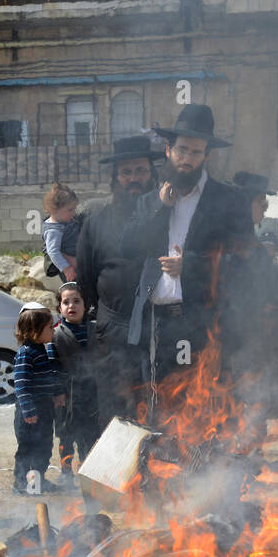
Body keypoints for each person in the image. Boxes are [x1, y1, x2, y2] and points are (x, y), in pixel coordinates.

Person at [123, 104, 254, 426]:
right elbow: (127, 247)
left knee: (200, 408)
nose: (187, 158)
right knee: (158, 408)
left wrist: (193, 266)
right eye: (181, 150)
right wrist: (159, 207)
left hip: (202, 320)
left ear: (206, 156)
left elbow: (246, 262)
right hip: (157, 321)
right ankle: (164, 473)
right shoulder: (150, 200)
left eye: (196, 152)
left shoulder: (230, 200)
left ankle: (202, 475)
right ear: (168, 150)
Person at [75, 134, 162, 425]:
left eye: (140, 171)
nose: (133, 179)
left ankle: (161, 469)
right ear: (115, 177)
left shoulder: (168, 215)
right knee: (116, 409)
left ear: (152, 174)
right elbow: (85, 279)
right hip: (113, 331)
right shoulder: (96, 222)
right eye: (126, 172)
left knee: (160, 406)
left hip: (161, 327)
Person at [220, 171, 278, 445]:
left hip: (257, 341)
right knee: (238, 403)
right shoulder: (228, 246)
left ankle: (253, 458)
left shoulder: (255, 246)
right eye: (261, 203)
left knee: (257, 403)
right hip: (234, 342)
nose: (265, 209)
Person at [50, 282, 103, 484]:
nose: (71, 306)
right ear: (59, 308)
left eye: (76, 301)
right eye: (66, 302)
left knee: (89, 434)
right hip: (67, 394)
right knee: (66, 434)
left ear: (85, 305)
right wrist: (57, 392)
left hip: (91, 392)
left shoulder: (95, 329)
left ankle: (87, 472)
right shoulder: (56, 334)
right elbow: (53, 366)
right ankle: (65, 473)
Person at [12, 305, 63, 494]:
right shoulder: (26, 353)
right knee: (28, 450)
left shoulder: (42, 350)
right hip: (30, 414)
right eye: (50, 327)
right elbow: (21, 386)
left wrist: (57, 394)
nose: (53, 330)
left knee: (44, 448)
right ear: (34, 331)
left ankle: (37, 482)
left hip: (45, 409)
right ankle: (21, 483)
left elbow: (51, 375)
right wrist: (29, 410)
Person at [42, 182, 80, 280]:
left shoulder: (64, 220)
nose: (74, 213)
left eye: (74, 209)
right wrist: (66, 268)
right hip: (68, 269)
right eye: (70, 210)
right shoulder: (54, 230)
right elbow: (53, 251)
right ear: (55, 210)